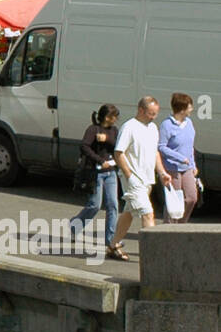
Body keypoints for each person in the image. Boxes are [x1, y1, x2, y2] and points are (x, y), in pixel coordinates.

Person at [110, 96, 173, 260]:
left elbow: (155, 153)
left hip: (147, 180)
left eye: (155, 114)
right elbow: (118, 153)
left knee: (129, 213)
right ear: (141, 110)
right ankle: (152, 255)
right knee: (147, 213)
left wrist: (162, 172)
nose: (153, 117)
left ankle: (113, 244)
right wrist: (129, 176)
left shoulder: (153, 128)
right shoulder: (129, 127)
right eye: (151, 113)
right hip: (133, 179)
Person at [69, 104, 120, 253]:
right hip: (95, 172)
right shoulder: (93, 129)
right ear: (106, 117)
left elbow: (117, 145)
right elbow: (84, 146)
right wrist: (99, 160)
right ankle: (75, 226)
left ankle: (111, 240)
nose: (115, 119)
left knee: (113, 205)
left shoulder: (114, 131)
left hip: (111, 171)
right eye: (113, 116)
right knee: (95, 205)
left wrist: (106, 139)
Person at [158, 92, 199, 223]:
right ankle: (168, 228)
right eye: (190, 106)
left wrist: (193, 165)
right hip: (172, 167)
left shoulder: (189, 123)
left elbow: (190, 146)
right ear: (182, 109)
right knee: (174, 201)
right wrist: (179, 157)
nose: (191, 109)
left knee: (192, 198)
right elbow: (162, 147)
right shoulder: (166, 125)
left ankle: (181, 224)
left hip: (187, 167)